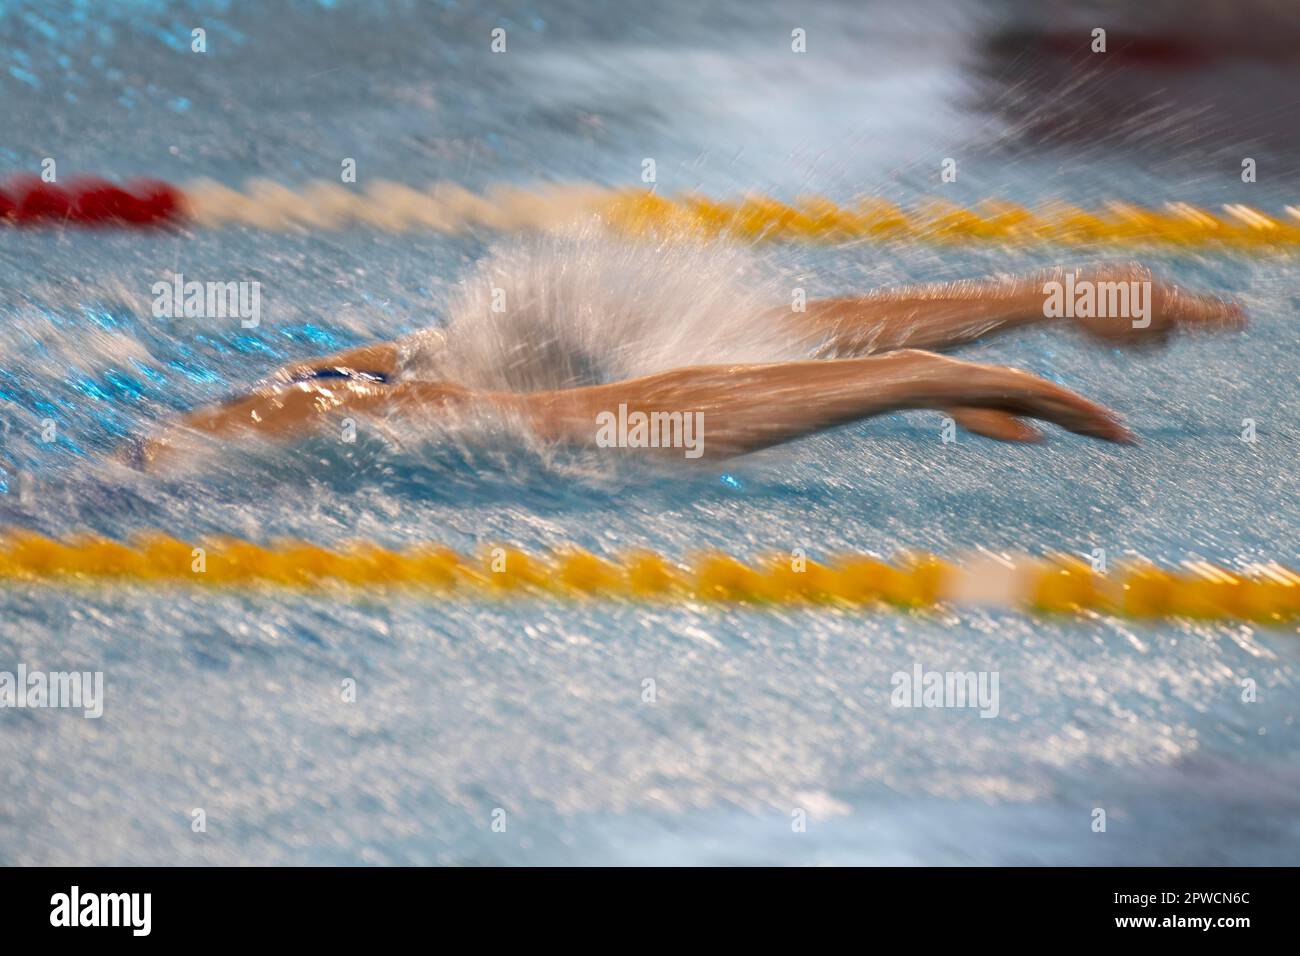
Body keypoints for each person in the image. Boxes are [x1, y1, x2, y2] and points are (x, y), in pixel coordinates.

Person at [127, 261, 1243, 469]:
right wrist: (1027, 301)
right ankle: (1016, 308)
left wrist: (911, 373)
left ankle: (923, 356)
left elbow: (604, 414)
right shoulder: (332, 388)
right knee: (556, 394)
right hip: (329, 389)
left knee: (567, 415)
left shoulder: (282, 419)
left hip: (284, 419)